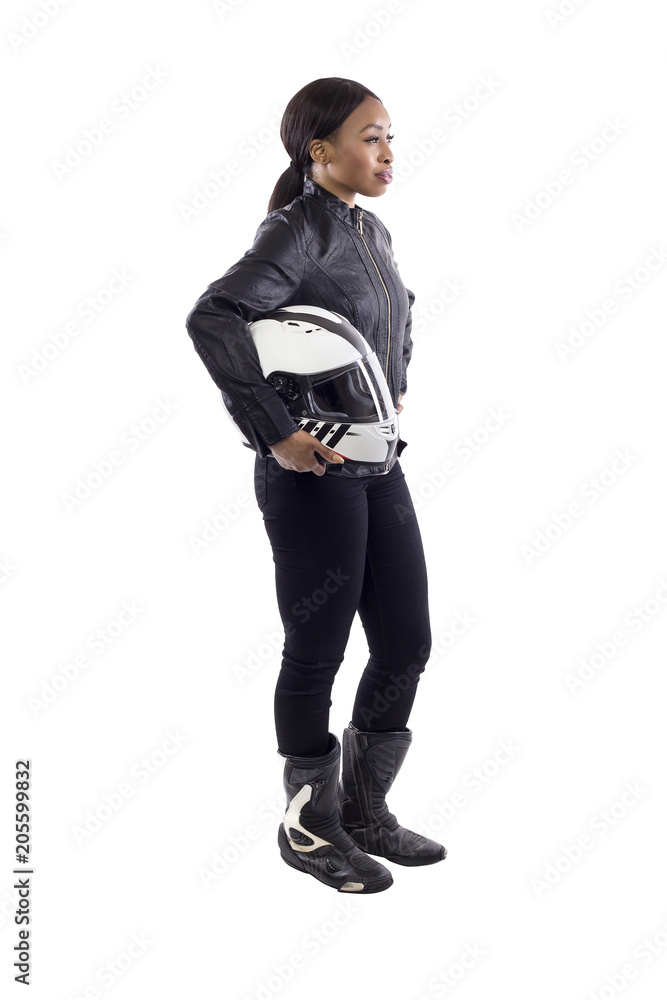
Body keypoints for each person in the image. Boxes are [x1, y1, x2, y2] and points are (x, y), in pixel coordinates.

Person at [185, 77, 446, 894]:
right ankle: (308, 828)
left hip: (379, 465)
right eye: (370, 138)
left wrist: (390, 390)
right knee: (317, 652)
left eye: (390, 137)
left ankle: (363, 812)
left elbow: (376, 331)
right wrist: (280, 433)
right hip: (313, 476)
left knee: (406, 641)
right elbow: (214, 315)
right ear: (319, 149)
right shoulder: (297, 229)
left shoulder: (371, 230)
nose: (386, 153)